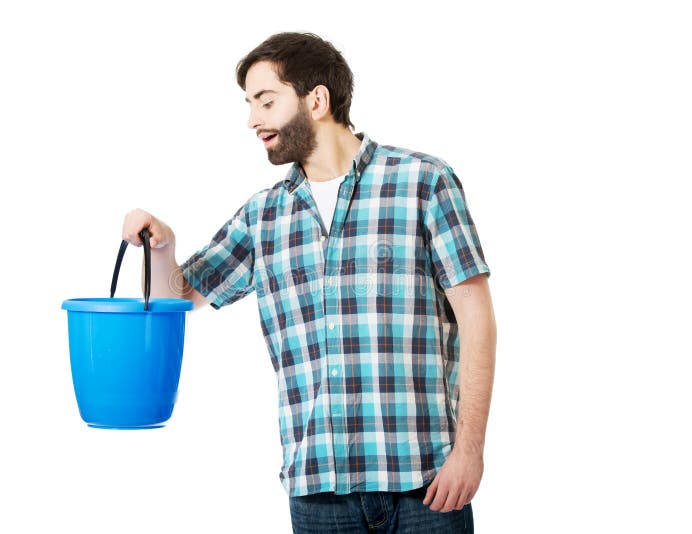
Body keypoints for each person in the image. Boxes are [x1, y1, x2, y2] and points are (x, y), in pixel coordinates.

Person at [122, 32, 497, 534]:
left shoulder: (424, 182)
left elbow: (477, 319)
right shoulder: (264, 215)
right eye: (250, 104)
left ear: (316, 100)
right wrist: (163, 245)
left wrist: (469, 451)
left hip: (427, 486)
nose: (252, 119)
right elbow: (180, 299)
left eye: (266, 101)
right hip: (319, 494)